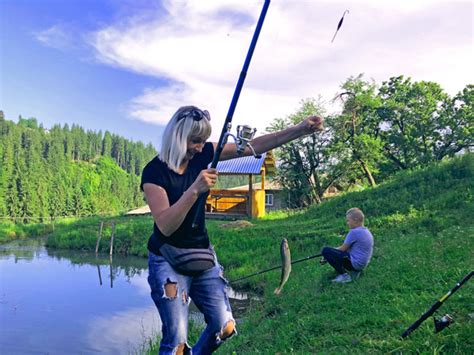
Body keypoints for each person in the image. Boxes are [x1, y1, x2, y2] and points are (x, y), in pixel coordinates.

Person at [141, 105, 324, 354]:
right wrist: (194, 190)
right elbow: (165, 225)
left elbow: (255, 147)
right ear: (177, 136)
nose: (200, 147)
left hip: (201, 254)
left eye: (203, 141)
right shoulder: (154, 172)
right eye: (195, 141)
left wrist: (300, 129)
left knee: (224, 325)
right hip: (167, 259)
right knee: (176, 343)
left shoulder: (204, 153)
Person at [320, 207, 374, 283]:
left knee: (325, 250)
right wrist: (331, 252)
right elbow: (345, 249)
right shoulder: (366, 231)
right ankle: (355, 273)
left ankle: (344, 276)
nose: (347, 223)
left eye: (348, 220)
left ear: (355, 220)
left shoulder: (354, 232)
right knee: (328, 251)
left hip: (355, 264)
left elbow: (342, 249)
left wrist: (327, 254)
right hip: (362, 265)